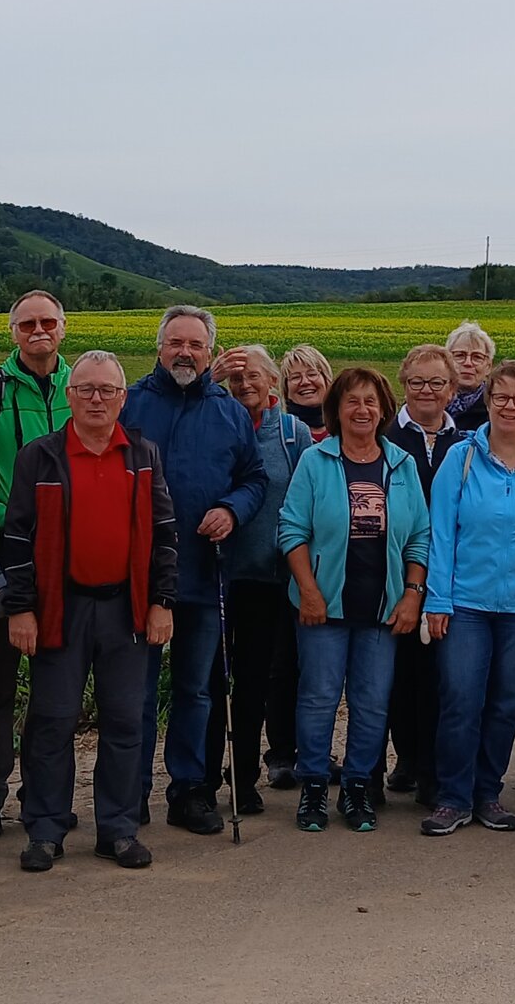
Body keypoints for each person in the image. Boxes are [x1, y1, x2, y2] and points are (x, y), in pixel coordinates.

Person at [2, 352, 178, 871]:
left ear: (123, 398)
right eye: (86, 390)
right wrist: (22, 609)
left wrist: (162, 602)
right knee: (53, 720)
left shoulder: (143, 455)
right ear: (69, 396)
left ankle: (118, 830)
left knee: (125, 722)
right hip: (62, 608)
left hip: (126, 608)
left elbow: (165, 536)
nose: (97, 399)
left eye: (107, 390)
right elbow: (16, 538)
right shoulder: (41, 456)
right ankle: (46, 830)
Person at [121, 305, 267, 834]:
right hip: (138, 578)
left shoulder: (229, 411)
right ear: (158, 347)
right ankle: (128, 794)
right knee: (135, 693)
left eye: (196, 346)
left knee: (196, 691)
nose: (185, 353)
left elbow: (254, 479)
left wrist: (231, 509)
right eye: (175, 343)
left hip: (205, 574)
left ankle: (189, 790)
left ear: (210, 353)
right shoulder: (129, 404)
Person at [277, 366, 431, 832]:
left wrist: (412, 594)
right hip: (324, 604)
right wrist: (308, 590)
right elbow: (291, 529)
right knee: (319, 696)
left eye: (371, 401)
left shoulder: (401, 464)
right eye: (352, 401)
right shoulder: (315, 461)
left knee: (372, 700)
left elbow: (420, 537)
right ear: (337, 410)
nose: (362, 410)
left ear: (384, 409)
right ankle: (314, 788)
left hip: (382, 606)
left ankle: (360, 785)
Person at [421, 362, 515, 836]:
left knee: (505, 704)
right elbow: (439, 533)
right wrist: (437, 600)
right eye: (501, 396)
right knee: (461, 699)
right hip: (465, 603)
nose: (509, 406)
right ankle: (452, 797)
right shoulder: (461, 459)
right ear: (488, 401)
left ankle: (488, 793)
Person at [0, 290, 71, 840]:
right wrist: (16, 514)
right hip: (5, 550)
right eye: (27, 324)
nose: (38, 331)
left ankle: (43, 791)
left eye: (47, 322)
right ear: (13, 333)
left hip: (68, 557)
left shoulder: (84, 388)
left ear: (63, 329)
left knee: (57, 685)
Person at [210, 344, 314, 811]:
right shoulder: (215, 425)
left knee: (272, 679)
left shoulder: (294, 434)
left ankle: (266, 769)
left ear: (273, 381)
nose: (245, 385)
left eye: (254, 376)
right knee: (229, 681)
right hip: (230, 576)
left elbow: (310, 503)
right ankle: (223, 776)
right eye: (235, 379)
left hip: (280, 577)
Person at [381, 344, 466, 806]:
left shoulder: (470, 441)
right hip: (396, 575)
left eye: (437, 382)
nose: (427, 391)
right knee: (398, 676)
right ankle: (408, 758)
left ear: (453, 389)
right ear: (403, 384)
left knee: (442, 678)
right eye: (417, 382)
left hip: (454, 576)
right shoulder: (385, 436)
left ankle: (433, 771)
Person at [445, 321, 496, 431]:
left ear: (488, 366)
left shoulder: (495, 408)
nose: (468, 363)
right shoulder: (429, 398)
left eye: (477, 357)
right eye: (460, 355)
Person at [279, 343, 333, 439]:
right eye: (295, 377)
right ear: (286, 388)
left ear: (326, 380)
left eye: (312, 374)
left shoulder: (347, 428)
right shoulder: (278, 431)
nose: (305, 382)